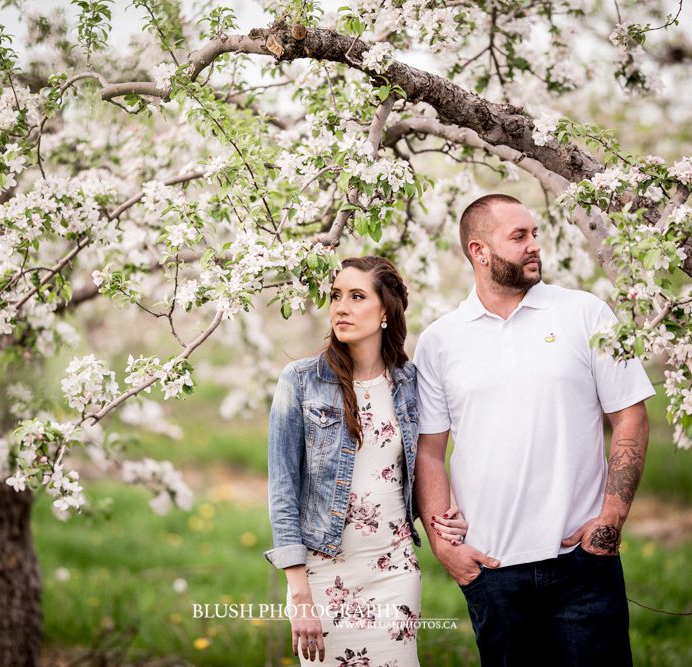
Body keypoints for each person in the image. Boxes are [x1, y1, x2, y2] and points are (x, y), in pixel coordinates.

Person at [413, 195, 654, 666]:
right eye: (519, 236)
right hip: (493, 571)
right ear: (479, 251)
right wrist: (445, 547)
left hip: (583, 564)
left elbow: (630, 415)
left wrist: (612, 518)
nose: (534, 246)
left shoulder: (585, 313)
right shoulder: (441, 340)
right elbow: (428, 452)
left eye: (535, 234)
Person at [264, 256, 465, 665]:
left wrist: (449, 514)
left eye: (357, 296)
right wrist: (298, 591)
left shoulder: (409, 382)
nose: (341, 307)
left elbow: (427, 460)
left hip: (393, 570)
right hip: (322, 573)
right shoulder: (301, 380)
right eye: (336, 296)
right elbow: (282, 488)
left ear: (386, 311)